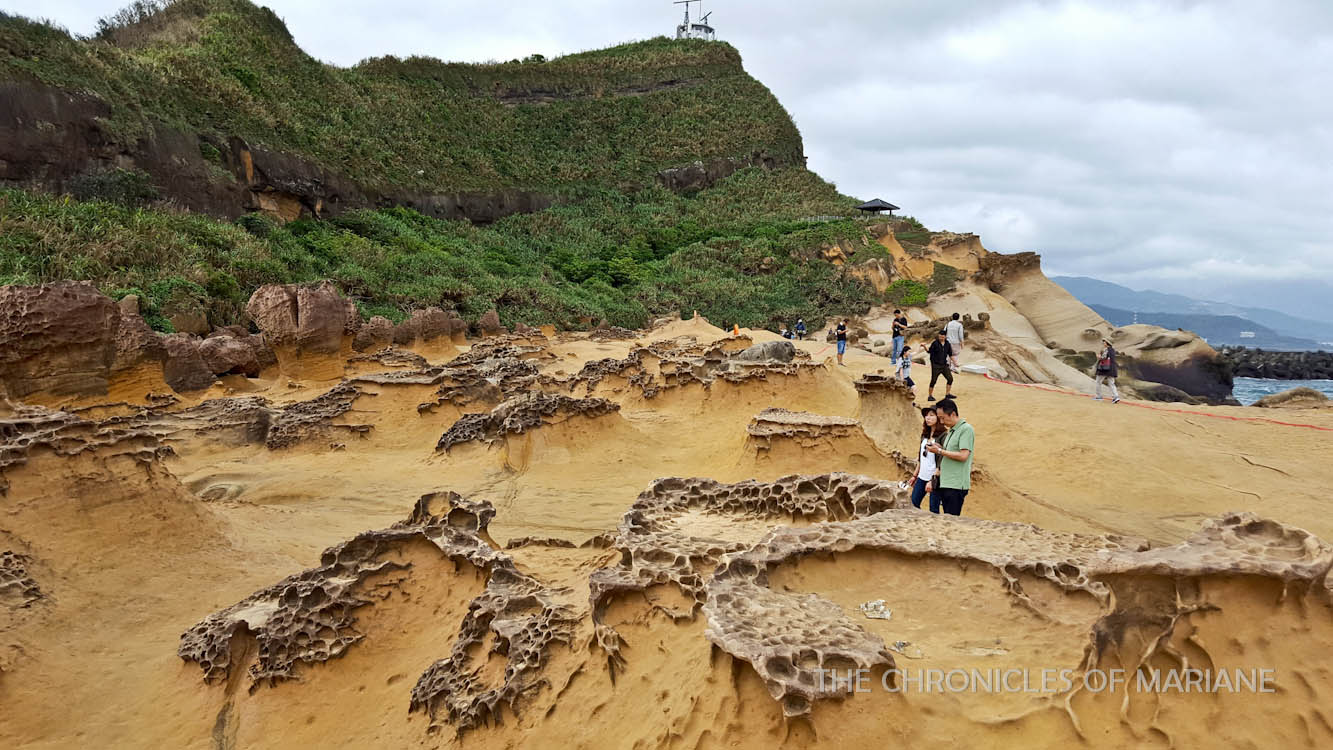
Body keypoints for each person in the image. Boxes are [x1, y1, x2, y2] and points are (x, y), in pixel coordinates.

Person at [926, 398, 974, 515]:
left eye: (942, 418)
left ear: (952, 414)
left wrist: (940, 451)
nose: (941, 422)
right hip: (946, 483)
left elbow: (963, 456)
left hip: (956, 485)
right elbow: (947, 453)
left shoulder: (966, 429)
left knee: (952, 519)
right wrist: (939, 448)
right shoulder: (951, 431)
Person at [909, 406, 946, 512]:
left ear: (938, 417)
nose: (927, 418)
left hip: (935, 479)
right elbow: (921, 457)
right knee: (913, 503)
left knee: (933, 509)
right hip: (922, 476)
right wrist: (914, 475)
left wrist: (932, 480)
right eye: (926, 415)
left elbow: (942, 460)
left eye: (931, 415)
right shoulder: (924, 435)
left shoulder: (943, 436)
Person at [926, 330, 954, 402]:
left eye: (942, 336)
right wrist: (924, 347)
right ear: (938, 336)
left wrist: (955, 362)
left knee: (950, 379)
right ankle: (930, 396)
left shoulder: (947, 344)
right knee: (933, 380)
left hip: (944, 365)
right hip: (936, 365)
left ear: (945, 336)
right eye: (940, 336)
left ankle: (947, 394)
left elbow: (950, 354)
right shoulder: (935, 343)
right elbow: (929, 351)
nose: (941, 337)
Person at [1094, 337, 1121, 403]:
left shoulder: (1106, 350)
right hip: (1112, 369)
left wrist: (1098, 356)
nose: (1103, 342)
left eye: (1104, 341)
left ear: (1107, 343)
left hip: (1104, 369)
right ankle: (1116, 397)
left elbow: (1103, 358)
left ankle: (1099, 396)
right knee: (1111, 383)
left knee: (1098, 382)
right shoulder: (1113, 350)